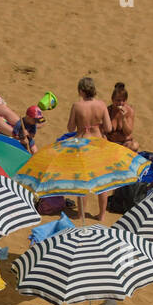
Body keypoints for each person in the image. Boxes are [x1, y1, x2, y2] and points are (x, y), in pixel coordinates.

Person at [67, 77, 112, 220]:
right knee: (102, 180)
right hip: (98, 142)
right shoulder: (101, 105)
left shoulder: (77, 106)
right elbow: (109, 128)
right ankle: (102, 215)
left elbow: (70, 127)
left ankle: (81, 214)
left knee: (82, 180)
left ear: (81, 90)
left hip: (82, 143)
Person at [108, 83, 138, 150]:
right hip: (111, 142)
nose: (121, 103)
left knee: (134, 145)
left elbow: (128, 132)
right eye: (118, 100)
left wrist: (124, 118)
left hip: (125, 142)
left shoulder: (129, 111)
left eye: (123, 100)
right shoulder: (108, 111)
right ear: (112, 100)